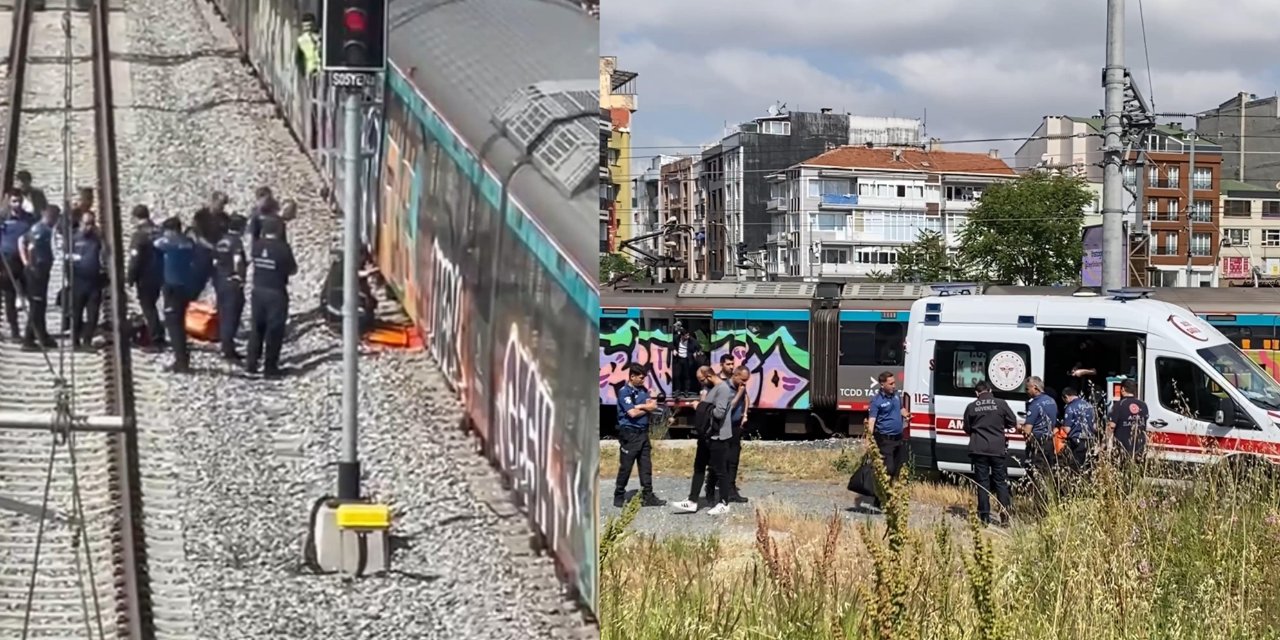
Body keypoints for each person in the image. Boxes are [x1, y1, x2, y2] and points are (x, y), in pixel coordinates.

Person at [246, 216, 296, 377]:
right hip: (276, 292)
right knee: (274, 331)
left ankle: (251, 363)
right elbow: (292, 269)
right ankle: (270, 367)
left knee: (257, 328)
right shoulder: (283, 248)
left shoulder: (257, 246)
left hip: (258, 291)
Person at [612, 363, 666, 508]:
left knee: (646, 466)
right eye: (641, 378)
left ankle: (648, 496)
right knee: (626, 466)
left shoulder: (643, 390)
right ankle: (619, 495)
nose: (643, 380)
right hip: (630, 433)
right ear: (632, 376)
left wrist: (641, 406)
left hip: (643, 432)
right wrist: (645, 408)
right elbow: (632, 413)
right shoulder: (625, 392)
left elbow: (652, 405)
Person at [962, 380, 1015, 526]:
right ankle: (1005, 518)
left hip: (979, 449)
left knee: (982, 483)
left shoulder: (972, 406)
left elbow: (966, 428)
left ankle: (984, 518)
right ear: (990, 390)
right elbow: (1012, 422)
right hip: (997, 449)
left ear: (977, 393)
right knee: (1000, 483)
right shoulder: (1001, 403)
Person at [672, 366, 723, 514]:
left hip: (714, 435)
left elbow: (717, 412)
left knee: (717, 469)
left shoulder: (721, 389)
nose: (701, 383)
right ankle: (692, 500)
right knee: (699, 467)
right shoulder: (709, 390)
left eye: (702, 380)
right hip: (704, 434)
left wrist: (699, 405)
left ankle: (718, 500)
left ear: (708, 376)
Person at [153, 216, 196, 373]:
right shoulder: (189, 243)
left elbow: (155, 243)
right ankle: (182, 358)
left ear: (172, 231)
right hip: (186, 286)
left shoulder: (170, 243)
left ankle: (181, 361)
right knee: (179, 322)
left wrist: (155, 232)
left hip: (172, 287)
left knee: (174, 324)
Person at [864, 370, 911, 508]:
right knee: (887, 468)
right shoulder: (877, 401)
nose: (894, 385)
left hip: (898, 438)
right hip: (885, 440)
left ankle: (888, 495)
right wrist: (869, 439)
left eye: (894, 382)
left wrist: (906, 415)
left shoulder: (896, 395)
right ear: (882, 384)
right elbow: (872, 421)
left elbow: (901, 409)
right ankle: (880, 498)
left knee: (897, 468)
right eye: (891, 383)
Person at [18, 205, 58, 349]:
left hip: (42, 271)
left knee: (41, 305)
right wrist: (28, 264)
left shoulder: (43, 229)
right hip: (36, 272)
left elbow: (22, 240)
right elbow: (29, 246)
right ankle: (28, 339)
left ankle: (42, 334)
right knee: (36, 305)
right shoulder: (41, 230)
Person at [126, 205, 165, 348]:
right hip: (159, 273)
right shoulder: (159, 231)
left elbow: (135, 259)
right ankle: (159, 331)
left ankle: (156, 337)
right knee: (153, 304)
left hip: (145, 276)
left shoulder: (139, 235)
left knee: (147, 306)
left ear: (136, 218)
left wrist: (130, 277)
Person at [67, 212, 106, 349]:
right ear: (80, 223)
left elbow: (104, 256)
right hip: (78, 282)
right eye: (86, 223)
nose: (88, 227)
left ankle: (87, 341)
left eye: (91, 223)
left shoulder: (97, 239)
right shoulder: (73, 238)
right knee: (77, 314)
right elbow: (67, 260)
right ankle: (75, 341)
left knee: (93, 315)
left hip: (94, 283)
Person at [212, 214, 248, 360]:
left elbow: (214, 261)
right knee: (232, 315)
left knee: (223, 313)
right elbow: (238, 260)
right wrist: (240, 276)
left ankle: (224, 345)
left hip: (220, 280)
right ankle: (228, 349)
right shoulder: (236, 242)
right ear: (241, 228)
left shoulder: (220, 240)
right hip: (232, 282)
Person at [0, 190, 34, 339]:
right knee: (9, 297)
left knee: (31, 295)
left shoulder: (29, 218)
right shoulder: (3, 218)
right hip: (7, 261)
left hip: (25, 260)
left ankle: (31, 331)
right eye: (14, 201)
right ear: (9, 202)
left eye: (19, 201)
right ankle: (14, 330)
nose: (17, 204)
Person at [1021, 376, 1059, 482]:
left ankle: (1036, 496)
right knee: (1047, 471)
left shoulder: (1035, 404)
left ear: (1035, 388)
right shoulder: (1051, 401)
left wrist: (1020, 428)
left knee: (1036, 472)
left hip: (1037, 441)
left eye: (1027, 389)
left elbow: (1027, 430)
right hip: (1049, 441)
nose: (1026, 392)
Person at [723, 365, 751, 504]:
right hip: (724, 427)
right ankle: (724, 490)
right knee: (726, 459)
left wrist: (745, 414)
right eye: (743, 379)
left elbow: (746, 399)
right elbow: (729, 407)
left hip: (736, 426)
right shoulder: (725, 388)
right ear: (736, 375)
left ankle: (732, 489)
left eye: (746, 381)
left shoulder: (741, 387)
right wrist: (740, 393)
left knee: (734, 459)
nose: (744, 383)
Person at [1107, 379, 1148, 464]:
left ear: (1122, 390)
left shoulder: (1119, 405)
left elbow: (1111, 426)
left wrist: (1105, 444)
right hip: (1139, 447)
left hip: (1122, 448)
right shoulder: (1143, 405)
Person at [1062, 386, 1098, 473]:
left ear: (1066, 396)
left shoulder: (1070, 408)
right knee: (1088, 468)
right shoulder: (1089, 406)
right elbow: (1095, 427)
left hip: (1076, 442)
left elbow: (1067, 429)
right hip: (1090, 441)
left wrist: (1062, 425)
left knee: (1076, 468)